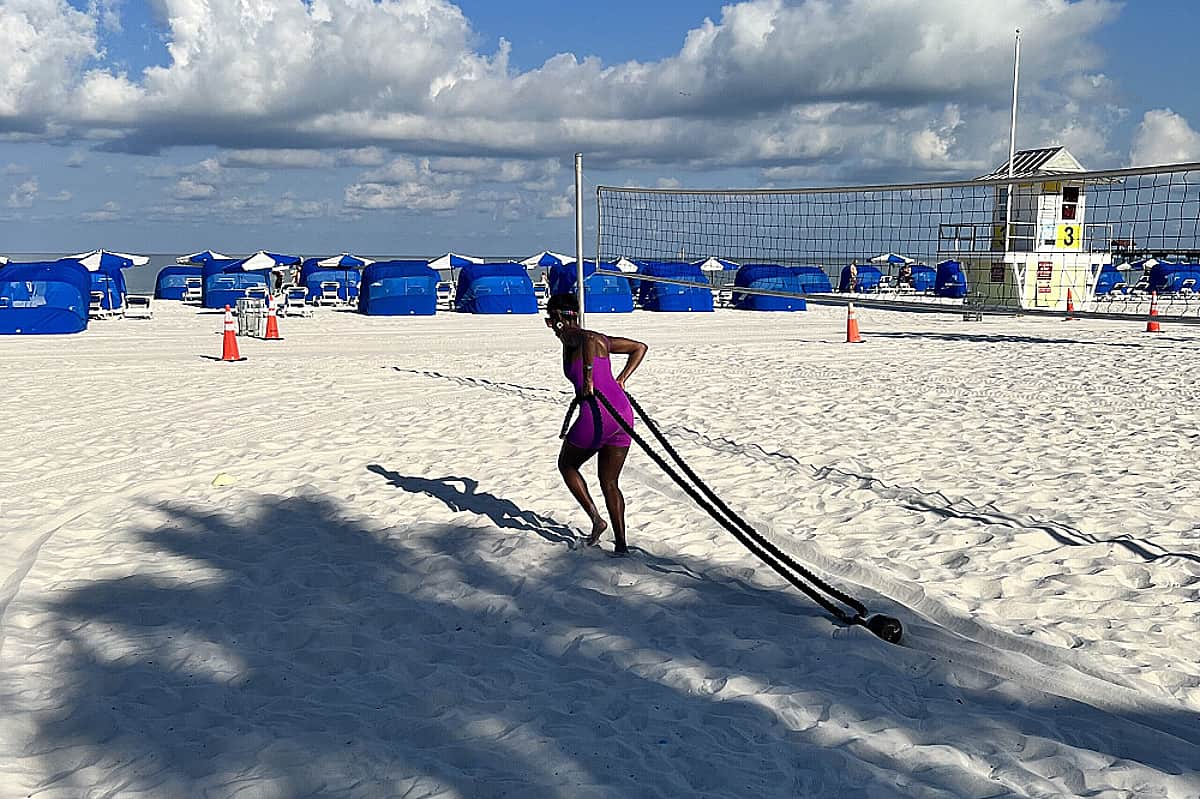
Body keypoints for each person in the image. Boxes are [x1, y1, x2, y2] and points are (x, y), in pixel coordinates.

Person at [546, 293, 647, 554]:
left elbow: (587, 339)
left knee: (567, 464)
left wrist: (588, 377)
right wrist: (621, 379)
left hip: (597, 413)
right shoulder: (604, 339)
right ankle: (621, 545)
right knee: (610, 482)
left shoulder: (572, 335)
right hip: (622, 413)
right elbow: (640, 347)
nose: (550, 326)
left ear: (559, 319)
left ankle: (597, 520)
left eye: (549, 320)